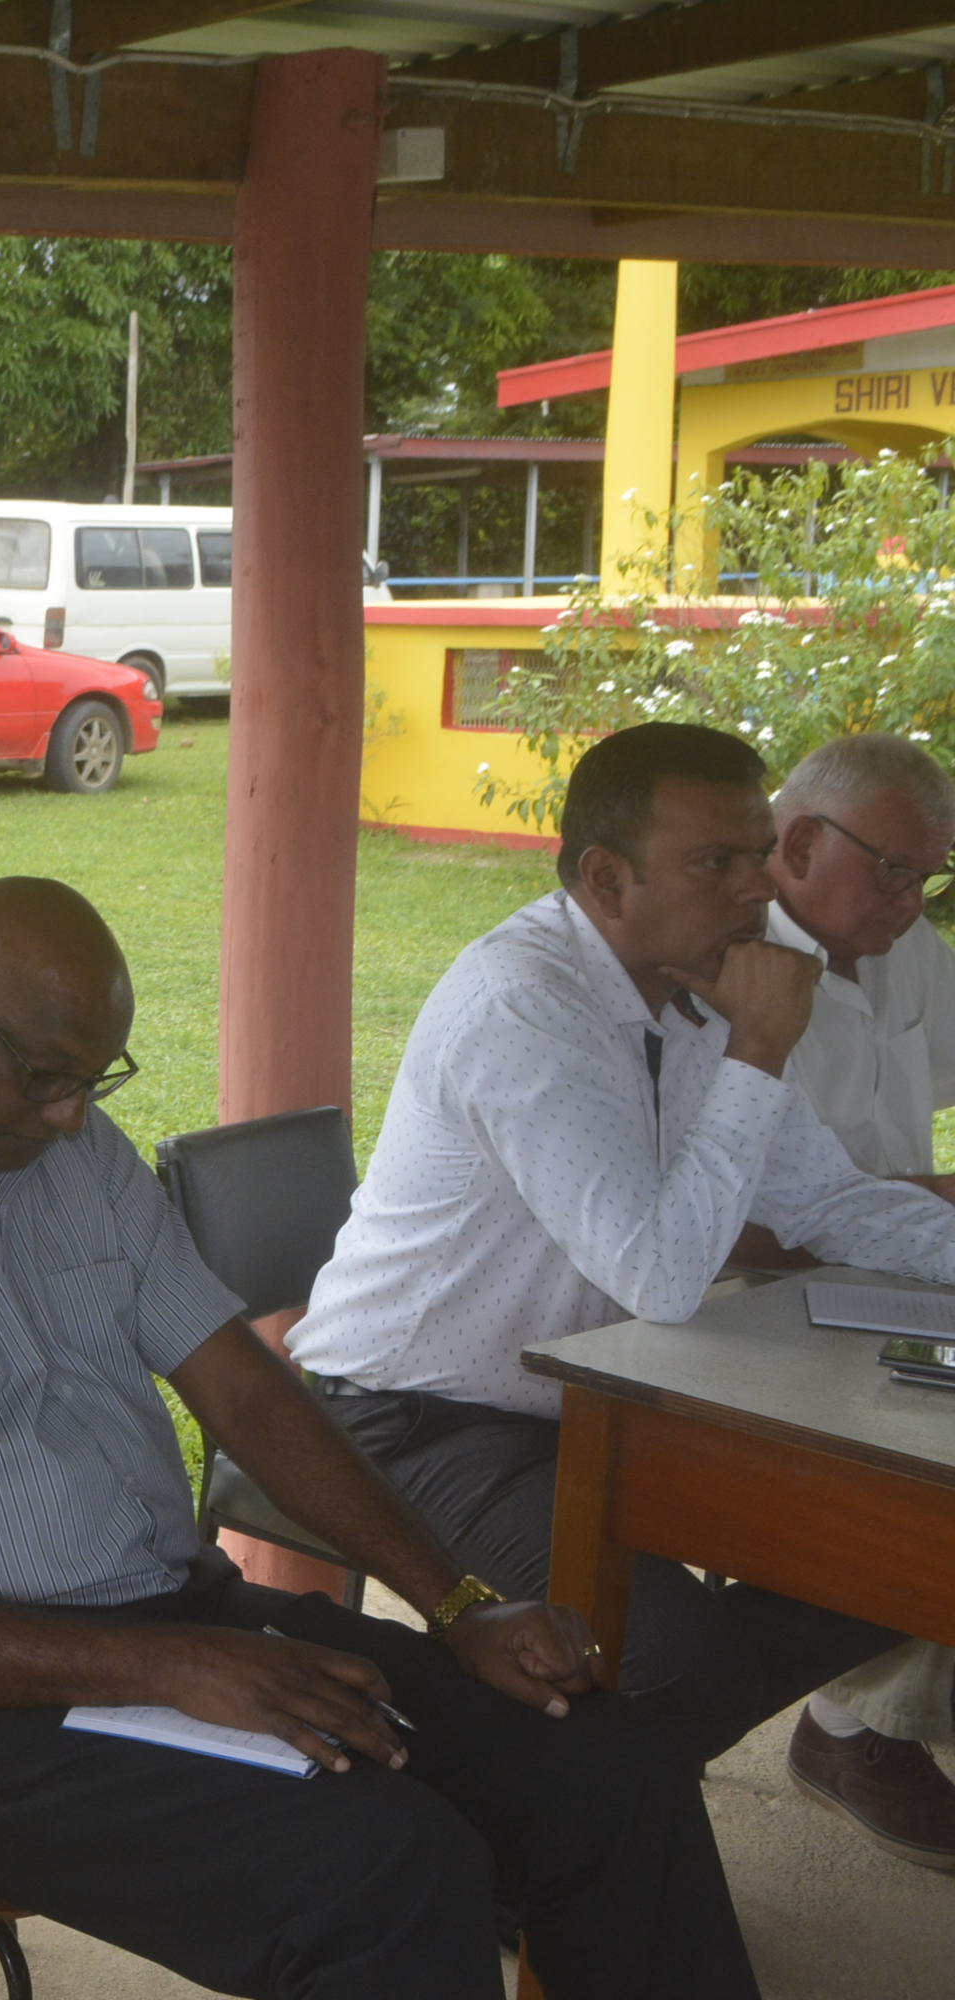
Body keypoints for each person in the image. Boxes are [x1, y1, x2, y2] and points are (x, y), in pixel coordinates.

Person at [0, 877, 759, 2000]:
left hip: (166, 1619)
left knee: (601, 1762)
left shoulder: (69, 1152)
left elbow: (245, 1393)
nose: (69, 1113)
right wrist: (169, 1664)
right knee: (386, 1868)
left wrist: (457, 1606)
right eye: (45, 1074)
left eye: (91, 1078)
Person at [291, 720, 954, 1773]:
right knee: (670, 1662)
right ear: (606, 877)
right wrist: (758, 1048)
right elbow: (657, 1275)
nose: (753, 888)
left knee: (914, 1552)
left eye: (758, 853)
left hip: (597, 1401)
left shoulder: (692, 985)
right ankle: (524, 1830)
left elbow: (833, 1198)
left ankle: (568, 1792)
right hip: (410, 1415)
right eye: (715, 862)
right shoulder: (525, 1006)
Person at [756, 732, 955, 1867]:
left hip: (897, 1268)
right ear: (795, 843)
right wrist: (934, 1198)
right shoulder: (732, 970)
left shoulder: (904, 944)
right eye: (893, 869)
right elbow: (757, 1218)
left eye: (931, 873)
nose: (912, 900)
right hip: (767, 1291)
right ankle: (853, 1723)